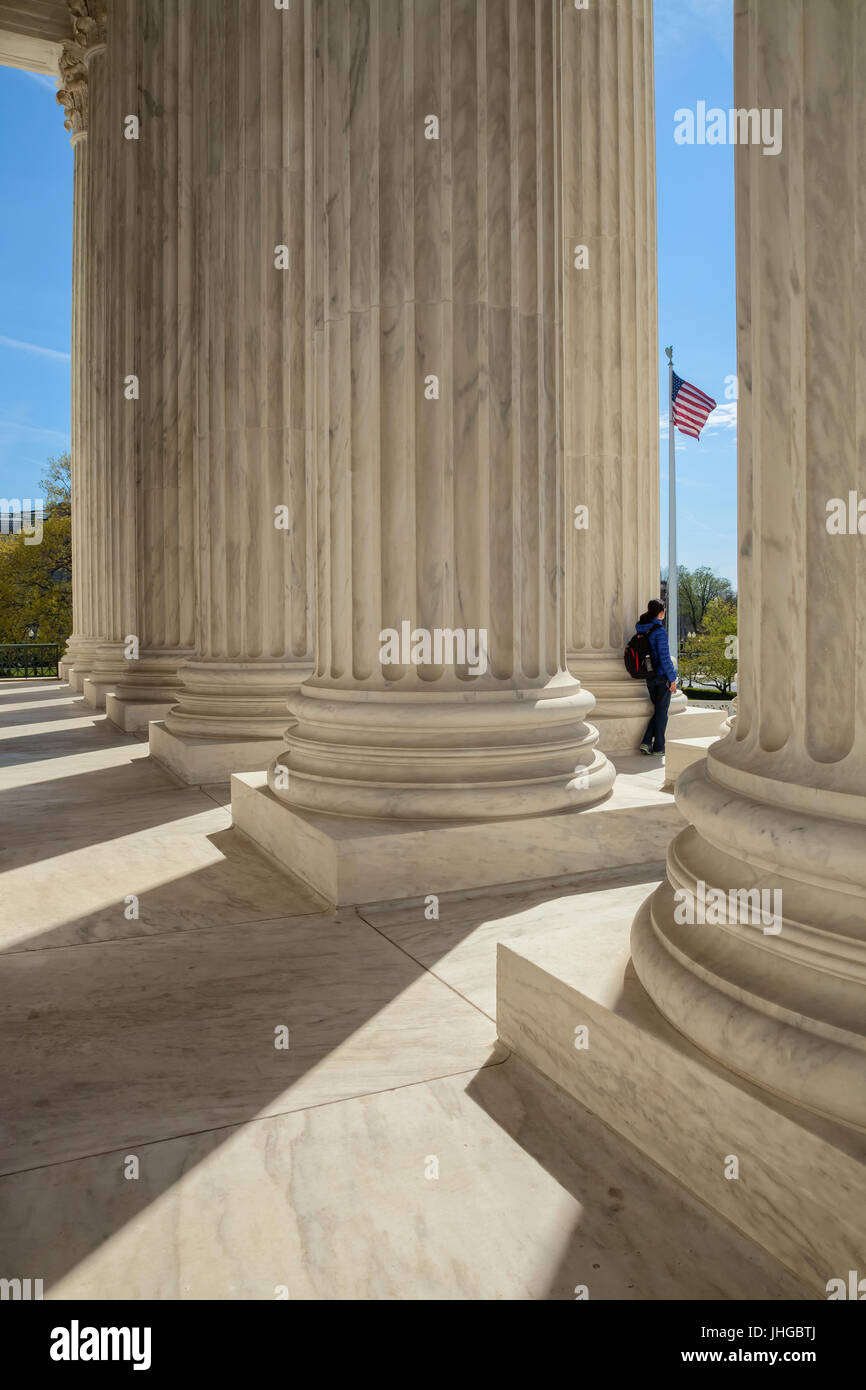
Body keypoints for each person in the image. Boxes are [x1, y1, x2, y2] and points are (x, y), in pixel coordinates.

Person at [636, 599, 678, 757]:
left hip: (649, 676)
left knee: (659, 711)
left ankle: (647, 742)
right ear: (660, 612)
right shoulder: (659, 631)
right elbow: (665, 658)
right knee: (662, 712)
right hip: (661, 676)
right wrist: (672, 679)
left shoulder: (642, 629)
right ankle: (659, 747)